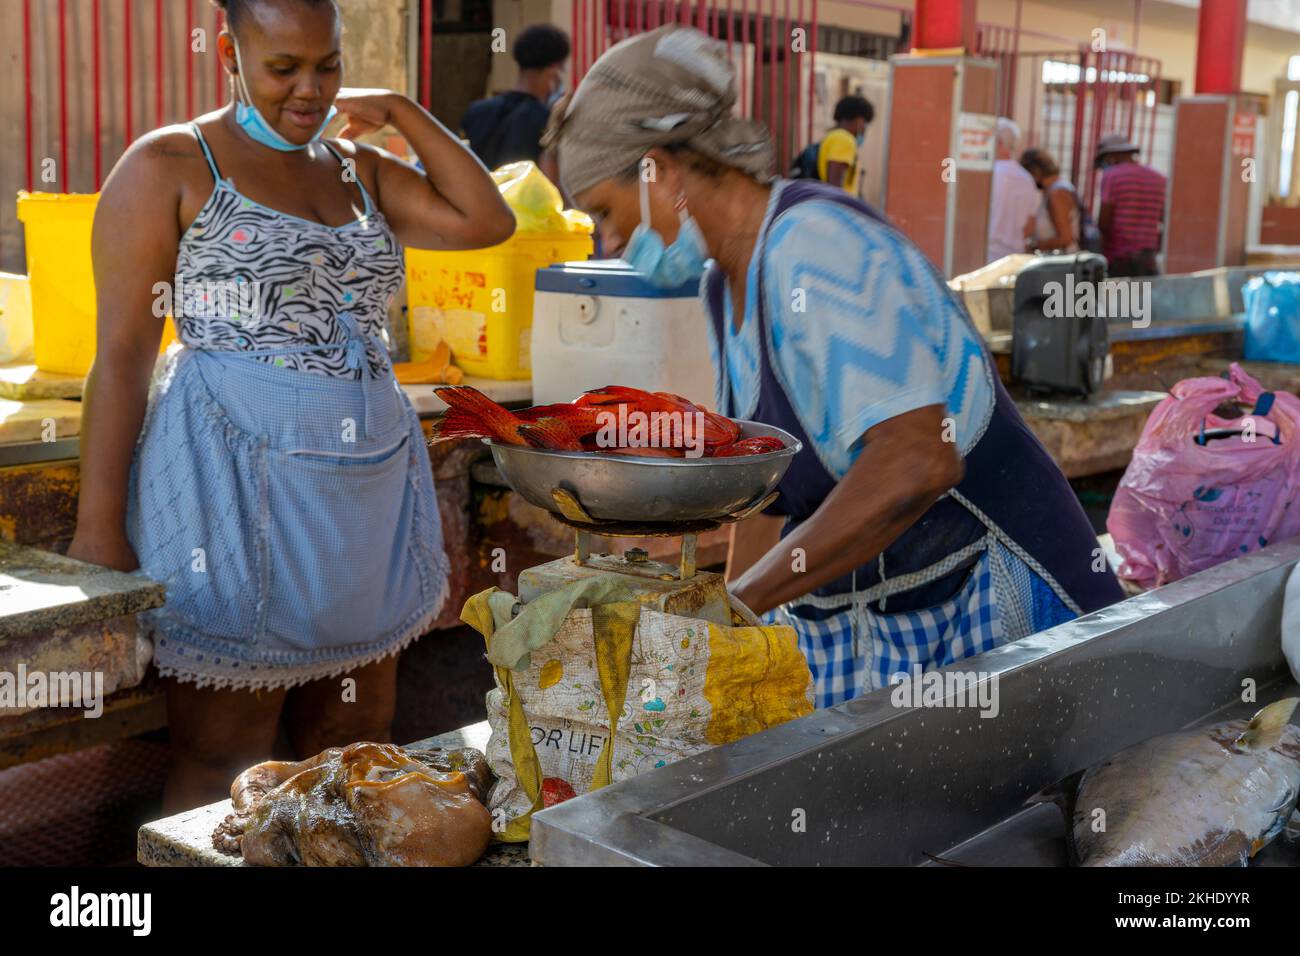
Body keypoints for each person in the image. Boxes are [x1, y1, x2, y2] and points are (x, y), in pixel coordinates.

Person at [543, 26, 1123, 709]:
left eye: (606, 214)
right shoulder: (722, 283)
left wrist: (743, 602)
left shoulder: (814, 245)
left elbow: (917, 461)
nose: (610, 241)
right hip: (890, 625)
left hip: (996, 612)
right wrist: (731, 635)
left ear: (658, 171)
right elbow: (766, 497)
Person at [67, 0, 514, 812]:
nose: (309, 90)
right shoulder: (171, 164)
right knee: (222, 757)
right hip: (227, 488)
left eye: (328, 66)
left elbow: (487, 220)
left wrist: (408, 114)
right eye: (283, 69)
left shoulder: (358, 169)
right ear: (229, 53)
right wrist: (99, 528)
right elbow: (124, 353)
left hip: (361, 487)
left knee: (353, 742)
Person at [461, 24, 570, 183]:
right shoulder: (546, 120)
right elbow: (552, 186)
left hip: (476, 203)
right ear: (553, 70)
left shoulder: (476, 111)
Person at [1095, 132, 1166, 277]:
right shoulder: (1159, 178)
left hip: (1120, 256)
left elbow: (1104, 222)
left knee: (1121, 299)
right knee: (1145, 298)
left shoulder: (1112, 176)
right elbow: (1164, 217)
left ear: (1111, 156)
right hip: (1149, 256)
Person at [986, 117, 1039, 263]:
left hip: (987, 256)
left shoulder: (987, 176)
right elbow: (1030, 226)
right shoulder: (1027, 179)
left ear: (998, 142)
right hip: (1014, 259)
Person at [1019, 148, 1080, 254]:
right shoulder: (1054, 190)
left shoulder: (1057, 193)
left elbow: (1065, 239)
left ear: (1034, 173)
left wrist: (1033, 246)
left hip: (1064, 265)